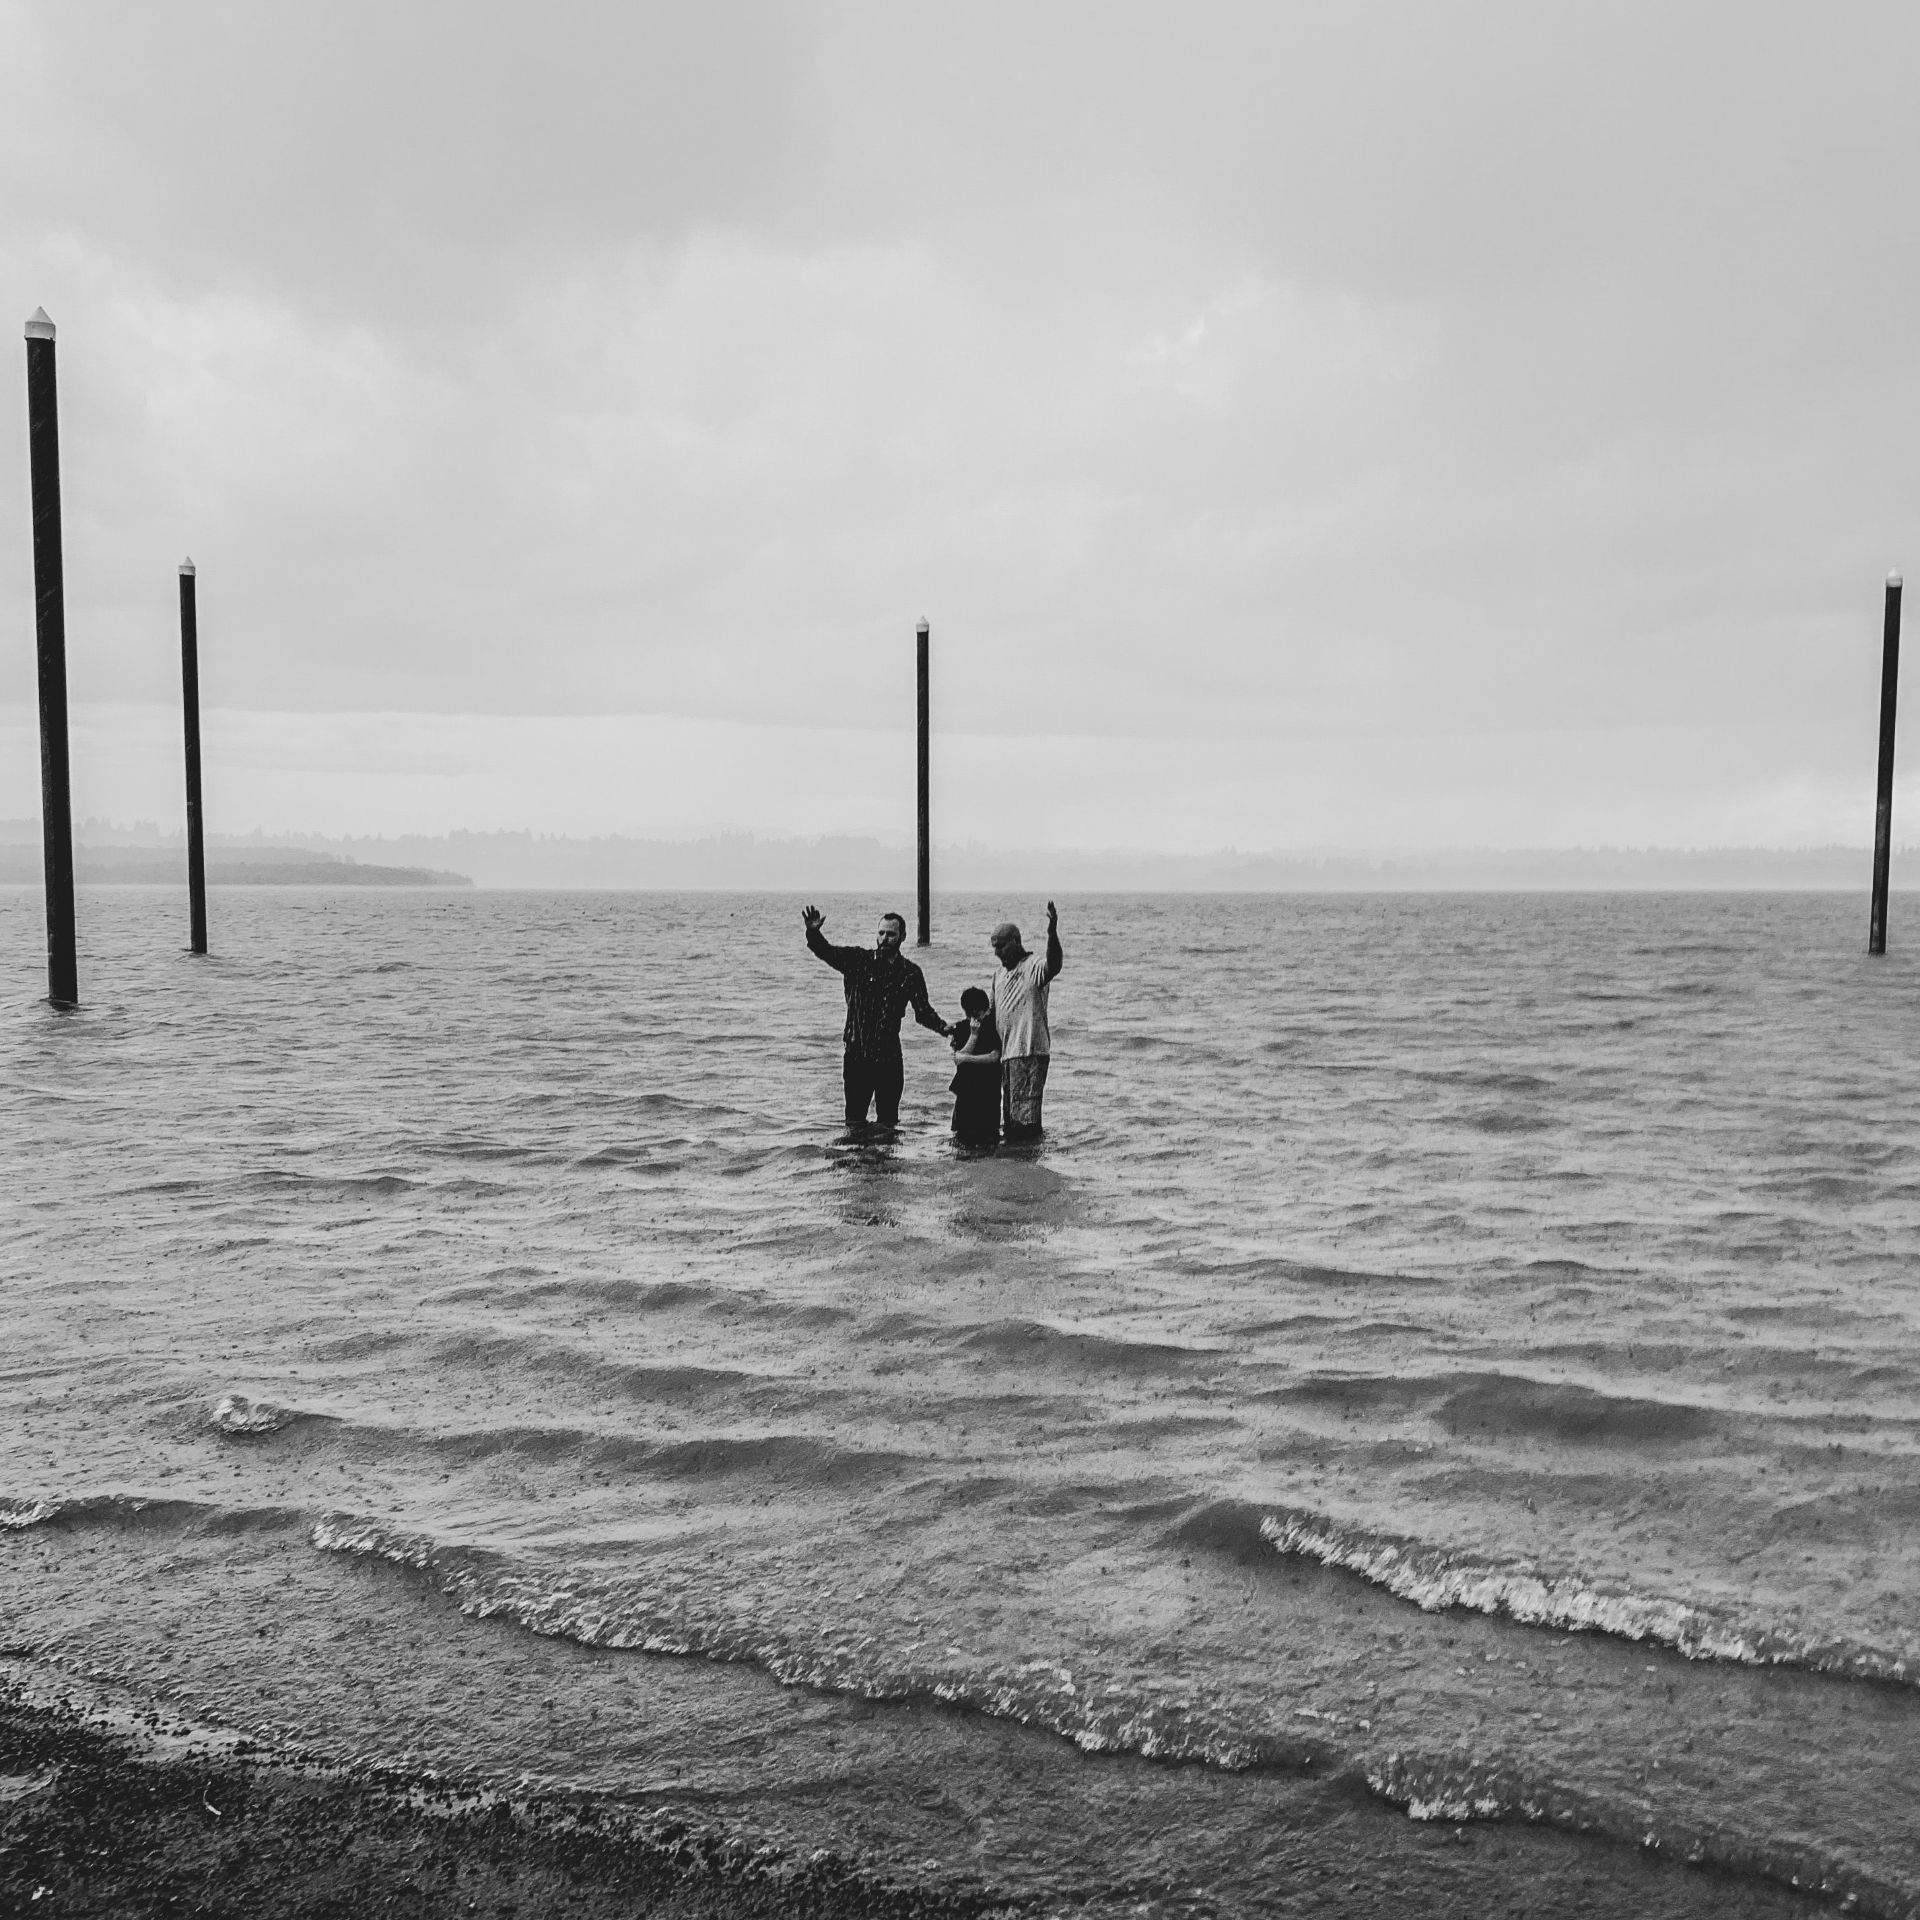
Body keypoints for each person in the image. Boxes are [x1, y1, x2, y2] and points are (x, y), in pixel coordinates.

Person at [802, 905, 952, 1129]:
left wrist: (944, 1028)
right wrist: (813, 932)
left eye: (891, 934)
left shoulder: (910, 972)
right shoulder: (857, 960)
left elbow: (923, 1012)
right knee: (854, 1120)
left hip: (889, 1056)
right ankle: (856, 1151)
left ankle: (886, 1152)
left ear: (902, 937)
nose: (884, 939)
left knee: (888, 1121)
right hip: (857, 1054)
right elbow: (826, 951)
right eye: (881, 933)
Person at [989, 901, 1063, 1138]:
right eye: (994, 947)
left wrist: (1052, 932)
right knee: (1011, 1119)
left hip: (1030, 1052)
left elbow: (1054, 965)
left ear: (1016, 941)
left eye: (1001, 946)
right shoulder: (998, 975)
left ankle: (1029, 1156)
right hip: (1007, 1056)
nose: (997, 952)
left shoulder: (1033, 966)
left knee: (1026, 1121)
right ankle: (1019, 1159)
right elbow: (991, 1015)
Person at [947, 985, 1001, 1146]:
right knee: (963, 1138)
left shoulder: (992, 1027)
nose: (985, 1014)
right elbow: (959, 1058)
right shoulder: (961, 1028)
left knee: (989, 1137)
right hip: (967, 1090)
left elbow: (994, 1057)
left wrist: (967, 1059)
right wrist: (973, 1035)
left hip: (988, 1089)